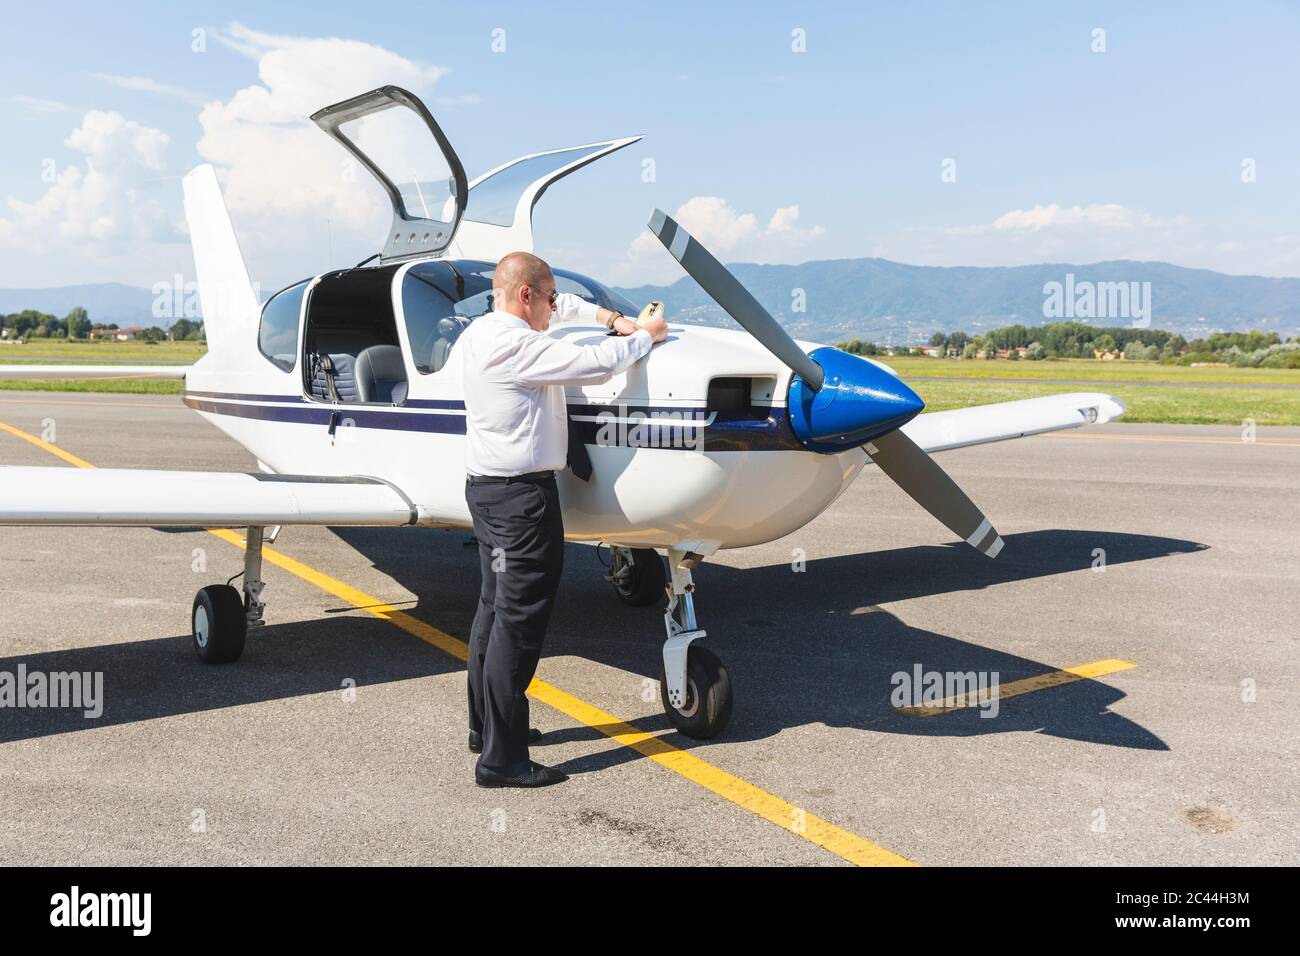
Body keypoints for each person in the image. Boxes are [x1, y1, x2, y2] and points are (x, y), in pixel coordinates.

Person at [458, 251, 668, 788]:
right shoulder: (516, 345)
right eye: (548, 300)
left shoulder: (484, 329)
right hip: (522, 503)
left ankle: (486, 730)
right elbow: (597, 366)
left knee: (493, 610)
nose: (556, 310)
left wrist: (610, 317)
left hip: (489, 493)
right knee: (518, 624)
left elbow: (564, 303)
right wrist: (645, 336)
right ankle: (502, 761)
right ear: (526, 297)